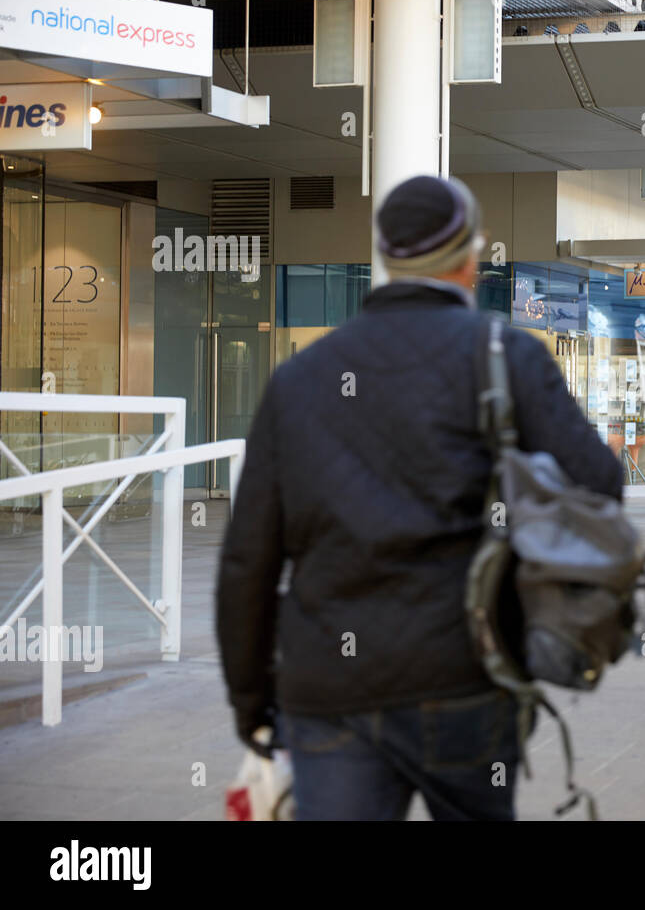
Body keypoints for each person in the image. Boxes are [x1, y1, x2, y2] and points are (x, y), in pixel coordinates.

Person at [216, 175, 624, 820]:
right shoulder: (505, 356)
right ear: (469, 256)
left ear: (385, 257)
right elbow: (600, 486)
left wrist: (251, 700)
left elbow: (247, 559)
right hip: (465, 674)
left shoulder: (299, 378)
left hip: (329, 686)